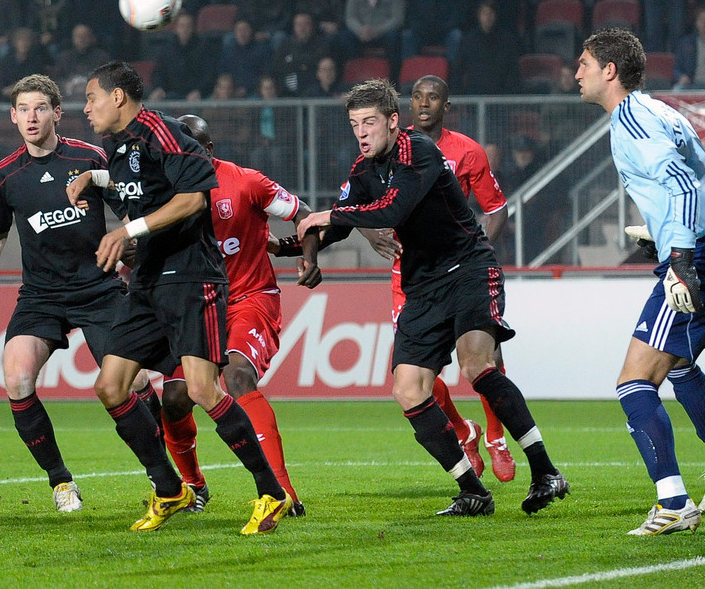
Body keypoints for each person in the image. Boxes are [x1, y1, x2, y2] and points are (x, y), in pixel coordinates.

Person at [297, 78, 568, 517]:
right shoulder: (364, 170)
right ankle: (472, 491)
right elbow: (338, 226)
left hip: (467, 269)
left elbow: (392, 211)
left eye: (369, 122)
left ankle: (546, 471)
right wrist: (296, 249)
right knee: (408, 390)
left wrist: (325, 215)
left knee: (476, 364)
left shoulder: (418, 151)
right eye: (354, 124)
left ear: (393, 121)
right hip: (422, 286)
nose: (361, 133)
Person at [63, 62, 291, 534]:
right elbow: (141, 189)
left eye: (91, 98)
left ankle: (271, 493)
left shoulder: (162, 131)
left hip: (190, 277)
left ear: (119, 97)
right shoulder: (119, 146)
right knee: (111, 386)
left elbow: (193, 197)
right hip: (148, 281)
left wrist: (127, 230)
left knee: (204, 389)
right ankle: (170, 489)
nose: (85, 108)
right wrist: (97, 181)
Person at [0, 74, 165, 513]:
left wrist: (135, 247)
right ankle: (61, 482)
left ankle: (163, 471)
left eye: (40, 108)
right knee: (16, 378)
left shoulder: (90, 158)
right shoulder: (4, 175)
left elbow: (130, 210)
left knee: (136, 380)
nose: (31, 117)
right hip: (41, 296)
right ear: (13, 117)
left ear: (56, 113)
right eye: (23, 110)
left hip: (99, 288)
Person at [574, 28, 705, 535]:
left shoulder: (631, 120)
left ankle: (673, 503)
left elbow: (683, 185)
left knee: (634, 383)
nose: (576, 72)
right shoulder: (658, 109)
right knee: (681, 366)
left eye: (584, 63)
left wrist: (680, 256)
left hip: (700, 256)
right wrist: (663, 234)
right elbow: (695, 179)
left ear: (609, 71)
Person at [159, 113, 317, 517]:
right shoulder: (163, 193)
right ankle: (193, 487)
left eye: (191, 148)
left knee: (237, 375)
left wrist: (308, 257)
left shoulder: (246, 182)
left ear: (208, 150)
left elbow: (303, 213)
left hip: (249, 297)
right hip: (197, 305)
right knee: (174, 398)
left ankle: (282, 492)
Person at [373, 76, 516, 482]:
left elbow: (496, 210)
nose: (424, 103)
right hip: (410, 274)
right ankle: (462, 429)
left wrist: (475, 257)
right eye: (417, 96)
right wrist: (371, 231)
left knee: (485, 358)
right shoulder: (391, 149)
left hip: (459, 273)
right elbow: (361, 200)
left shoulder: (467, 151)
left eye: (433, 97)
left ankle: (496, 436)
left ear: (446, 106)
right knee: (414, 371)